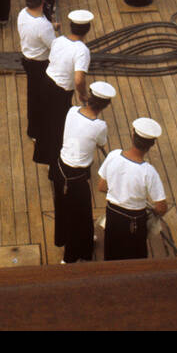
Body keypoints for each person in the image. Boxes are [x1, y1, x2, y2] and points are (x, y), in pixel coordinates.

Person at [53, 81, 112, 263]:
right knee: (81, 215)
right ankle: (70, 257)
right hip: (77, 178)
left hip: (60, 168)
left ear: (89, 98)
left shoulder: (72, 111)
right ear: (106, 105)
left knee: (63, 208)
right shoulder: (99, 126)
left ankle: (67, 239)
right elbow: (101, 142)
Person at [97, 117, 167, 261]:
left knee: (112, 254)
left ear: (133, 135)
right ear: (152, 144)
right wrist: (153, 209)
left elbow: (102, 186)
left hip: (113, 216)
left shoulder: (113, 156)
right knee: (135, 259)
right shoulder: (149, 172)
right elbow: (161, 207)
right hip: (135, 221)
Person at [38, 8, 93, 170]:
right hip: (60, 92)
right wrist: (82, 95)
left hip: (46, 82)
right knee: (59, 127)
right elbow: (79, 79)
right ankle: (55, 164)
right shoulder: (82, 51)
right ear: (87, 30)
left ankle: (46, 156)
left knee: (47, 122)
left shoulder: (59, 40)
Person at [17, 0, 55, 141]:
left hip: (28, 60)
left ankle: (35, 129)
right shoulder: (43, 26)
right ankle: (37, 131)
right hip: (41, 64)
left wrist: (51, 25)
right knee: (41, 97)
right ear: (42, 1)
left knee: (34, 95)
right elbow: (53, 46)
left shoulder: (22, 14)